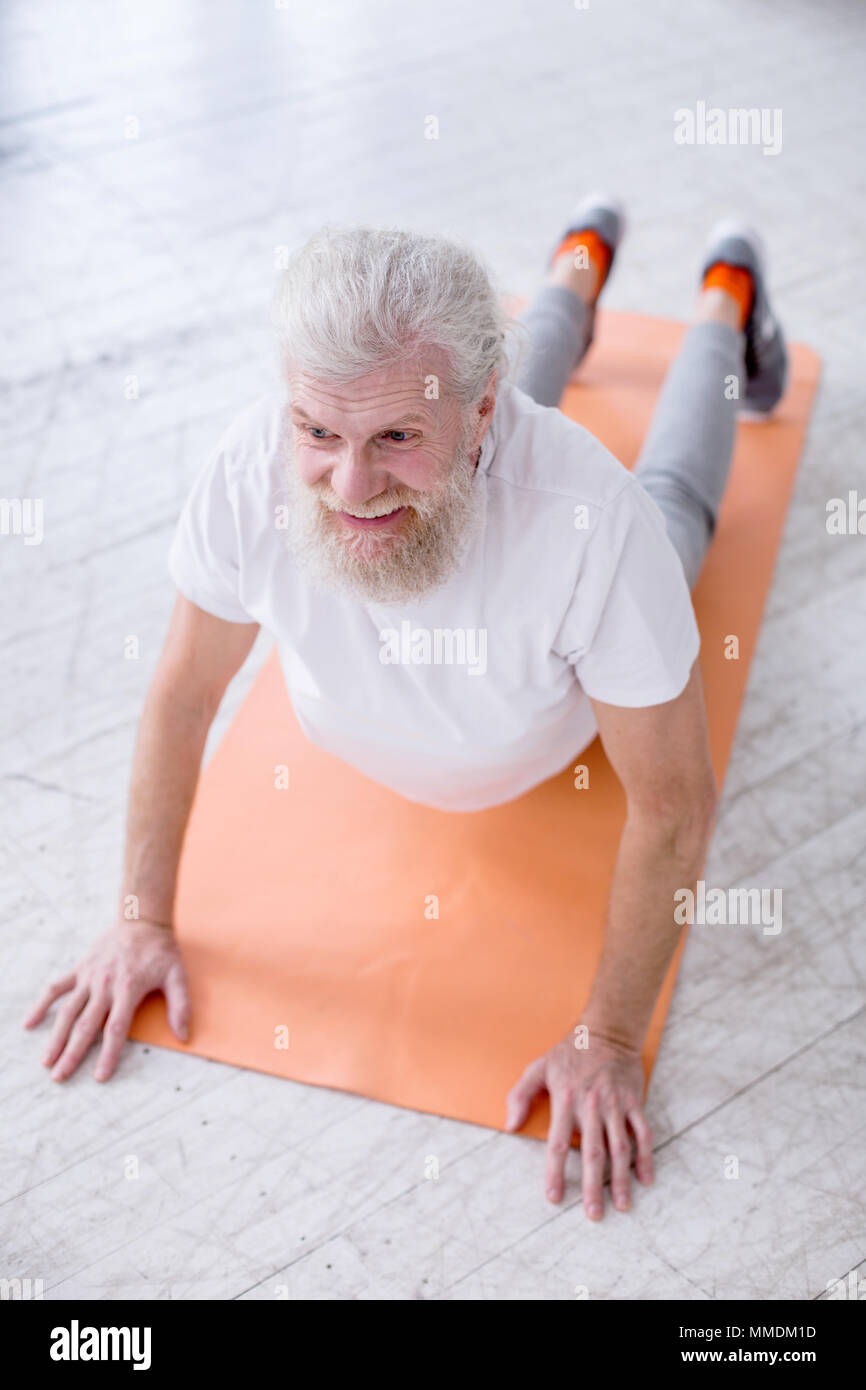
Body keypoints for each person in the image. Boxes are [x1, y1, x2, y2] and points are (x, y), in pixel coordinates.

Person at [24, 200, 788, 1222]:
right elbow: (182, 691)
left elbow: (672, 806)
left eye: (392, 435)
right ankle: (577, 262)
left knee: (672, 499)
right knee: (437, 426)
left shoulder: (591, 527)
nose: (350, 484)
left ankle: (722, 298)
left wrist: (606, 1038)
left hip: (574, 638)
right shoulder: (255, 463)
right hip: (474, 418)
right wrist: (140, 917)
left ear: (481, 412)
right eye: (318, 430)